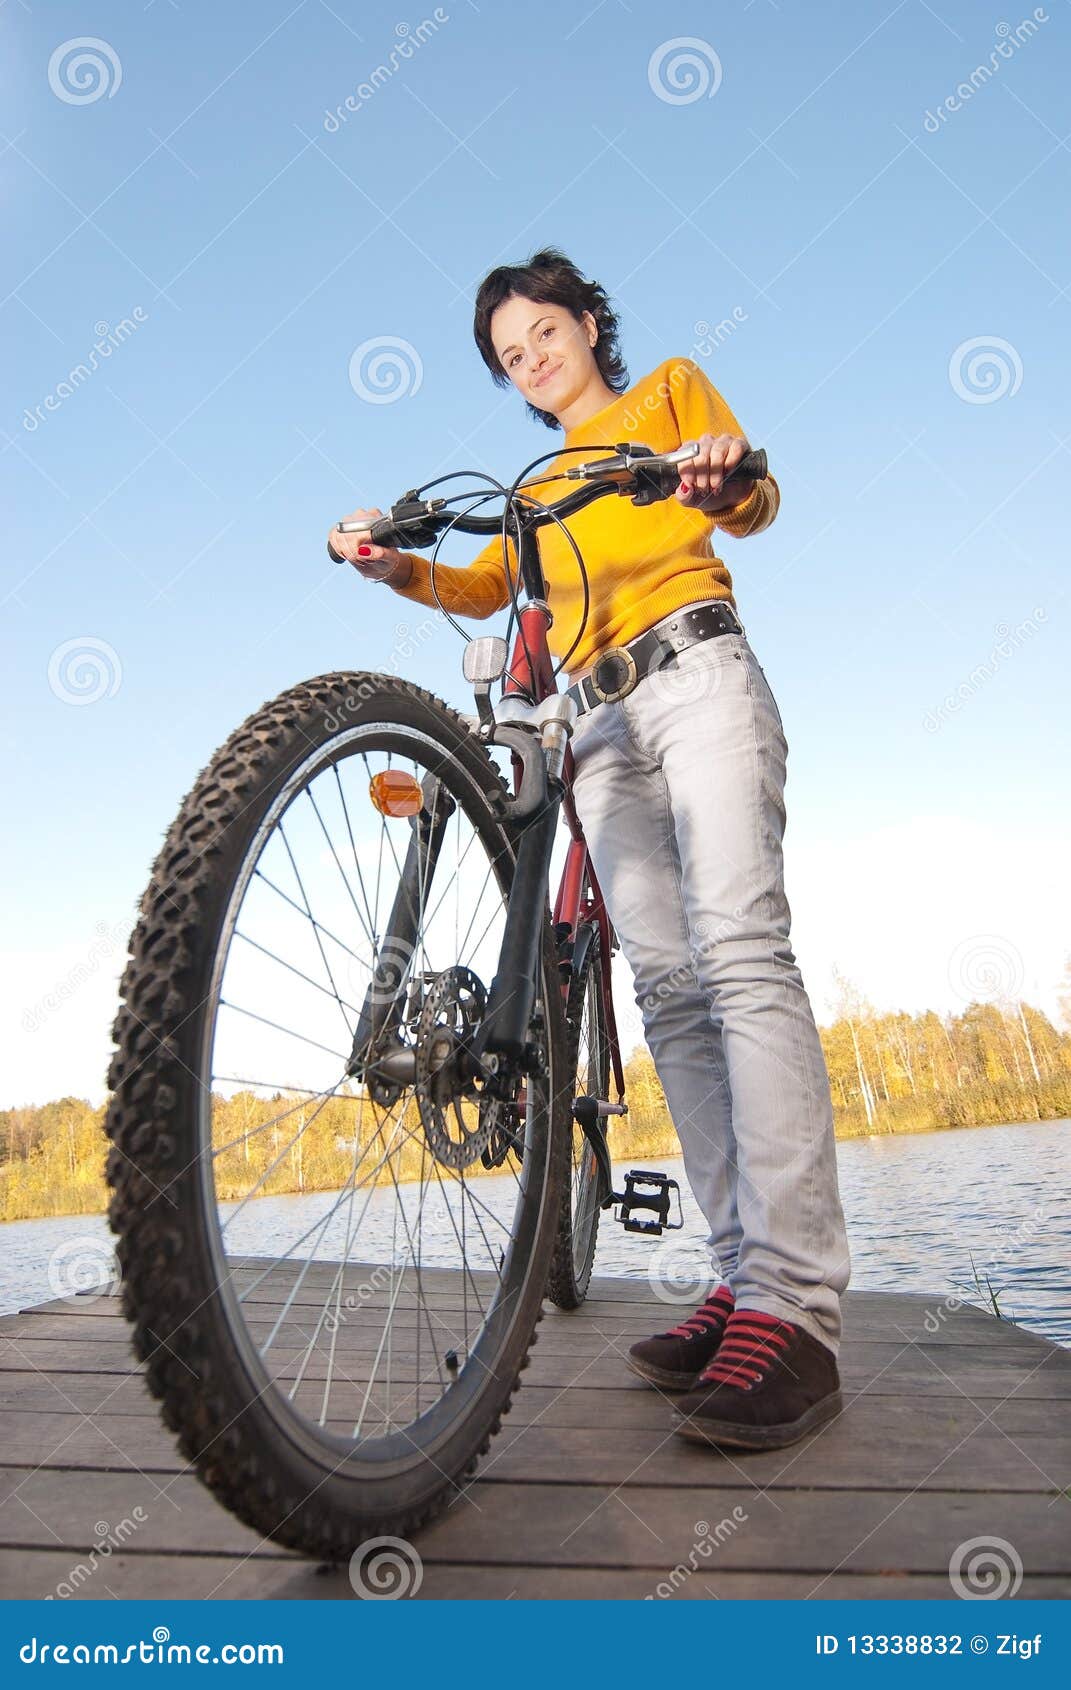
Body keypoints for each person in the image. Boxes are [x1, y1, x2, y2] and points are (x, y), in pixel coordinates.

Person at [329, 247, 851, 1452]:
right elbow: (479, 590)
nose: (533, 359)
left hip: (698, 669)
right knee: (670, 994)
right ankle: (739, 1286)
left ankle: (802, 1312)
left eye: (543, 333)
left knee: (741, 959)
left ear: (585, 324)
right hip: (597, 723)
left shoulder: (665, 392)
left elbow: (751, 498)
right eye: (511, 356)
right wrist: (393, 560)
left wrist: (719, 483)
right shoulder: (537, 485)